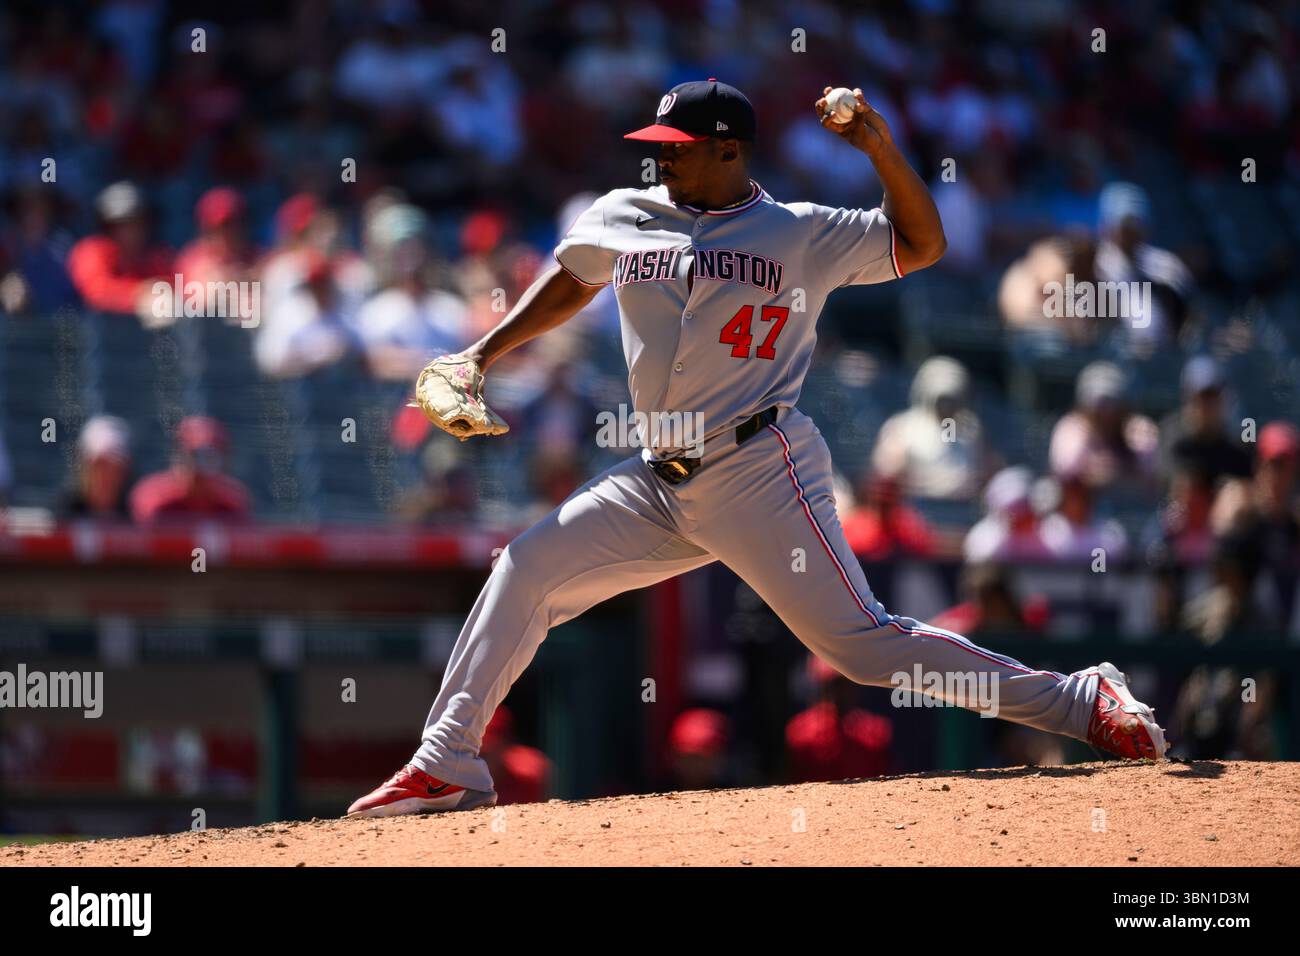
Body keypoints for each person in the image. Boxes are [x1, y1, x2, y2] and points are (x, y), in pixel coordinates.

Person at [349, 80, 1166, 819]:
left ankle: (1079, 699)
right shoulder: (623, 215)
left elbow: (922, 246)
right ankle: (448, 758)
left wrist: (879, 148)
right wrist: (482, 354)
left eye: (678, 150)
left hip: (758, 466)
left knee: (864, 650)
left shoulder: (800, 233)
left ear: (730, 151)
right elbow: (574, 274)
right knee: (523, 569)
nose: (659, 162)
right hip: (656, 477)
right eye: (656, 148)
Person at [870, 355, 994, 502]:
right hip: (916, 506)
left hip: (961, 508)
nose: (947, 405)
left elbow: (979, 473)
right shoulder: (903, 426)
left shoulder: (969, 429)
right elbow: (885, 472)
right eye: (942, 400)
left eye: (951, 400)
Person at [130, 416, 251, 525]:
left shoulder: (233, 501)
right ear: (180, 456)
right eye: (195, 456)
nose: (202, 467)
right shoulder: (155, 497)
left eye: (212, 457)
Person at [58, 415, 134, 520]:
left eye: (114, 468)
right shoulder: (60, 520)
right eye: (98, 466)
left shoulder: (139, 519)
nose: (105, 476)